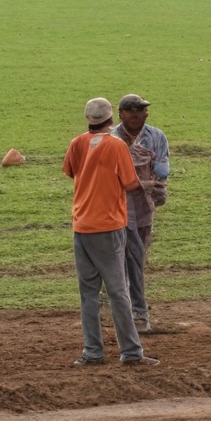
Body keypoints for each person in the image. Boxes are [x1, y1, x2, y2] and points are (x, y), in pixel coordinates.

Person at [63, 98, 157, 367]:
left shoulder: (77, 143)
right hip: (108, 226)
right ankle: (130, 352)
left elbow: (72, 172)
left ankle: (93, 351)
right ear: (111, 118)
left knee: (88, 294)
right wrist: (149, 184)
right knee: (118, 291)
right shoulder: (117, 145)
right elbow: (129, 183)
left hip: (81, 226)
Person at [113, 94, 171, 333]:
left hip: (143, 208)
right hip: (116, 209)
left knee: (136, 258)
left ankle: (131, 311)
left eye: (141, 110)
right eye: (131, 110)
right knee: (122, 261)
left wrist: (156, 190)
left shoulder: (156, 137)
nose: (136, 114)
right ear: (121, 114)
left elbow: (162, 170)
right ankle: (136, 313)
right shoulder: (111, 138)